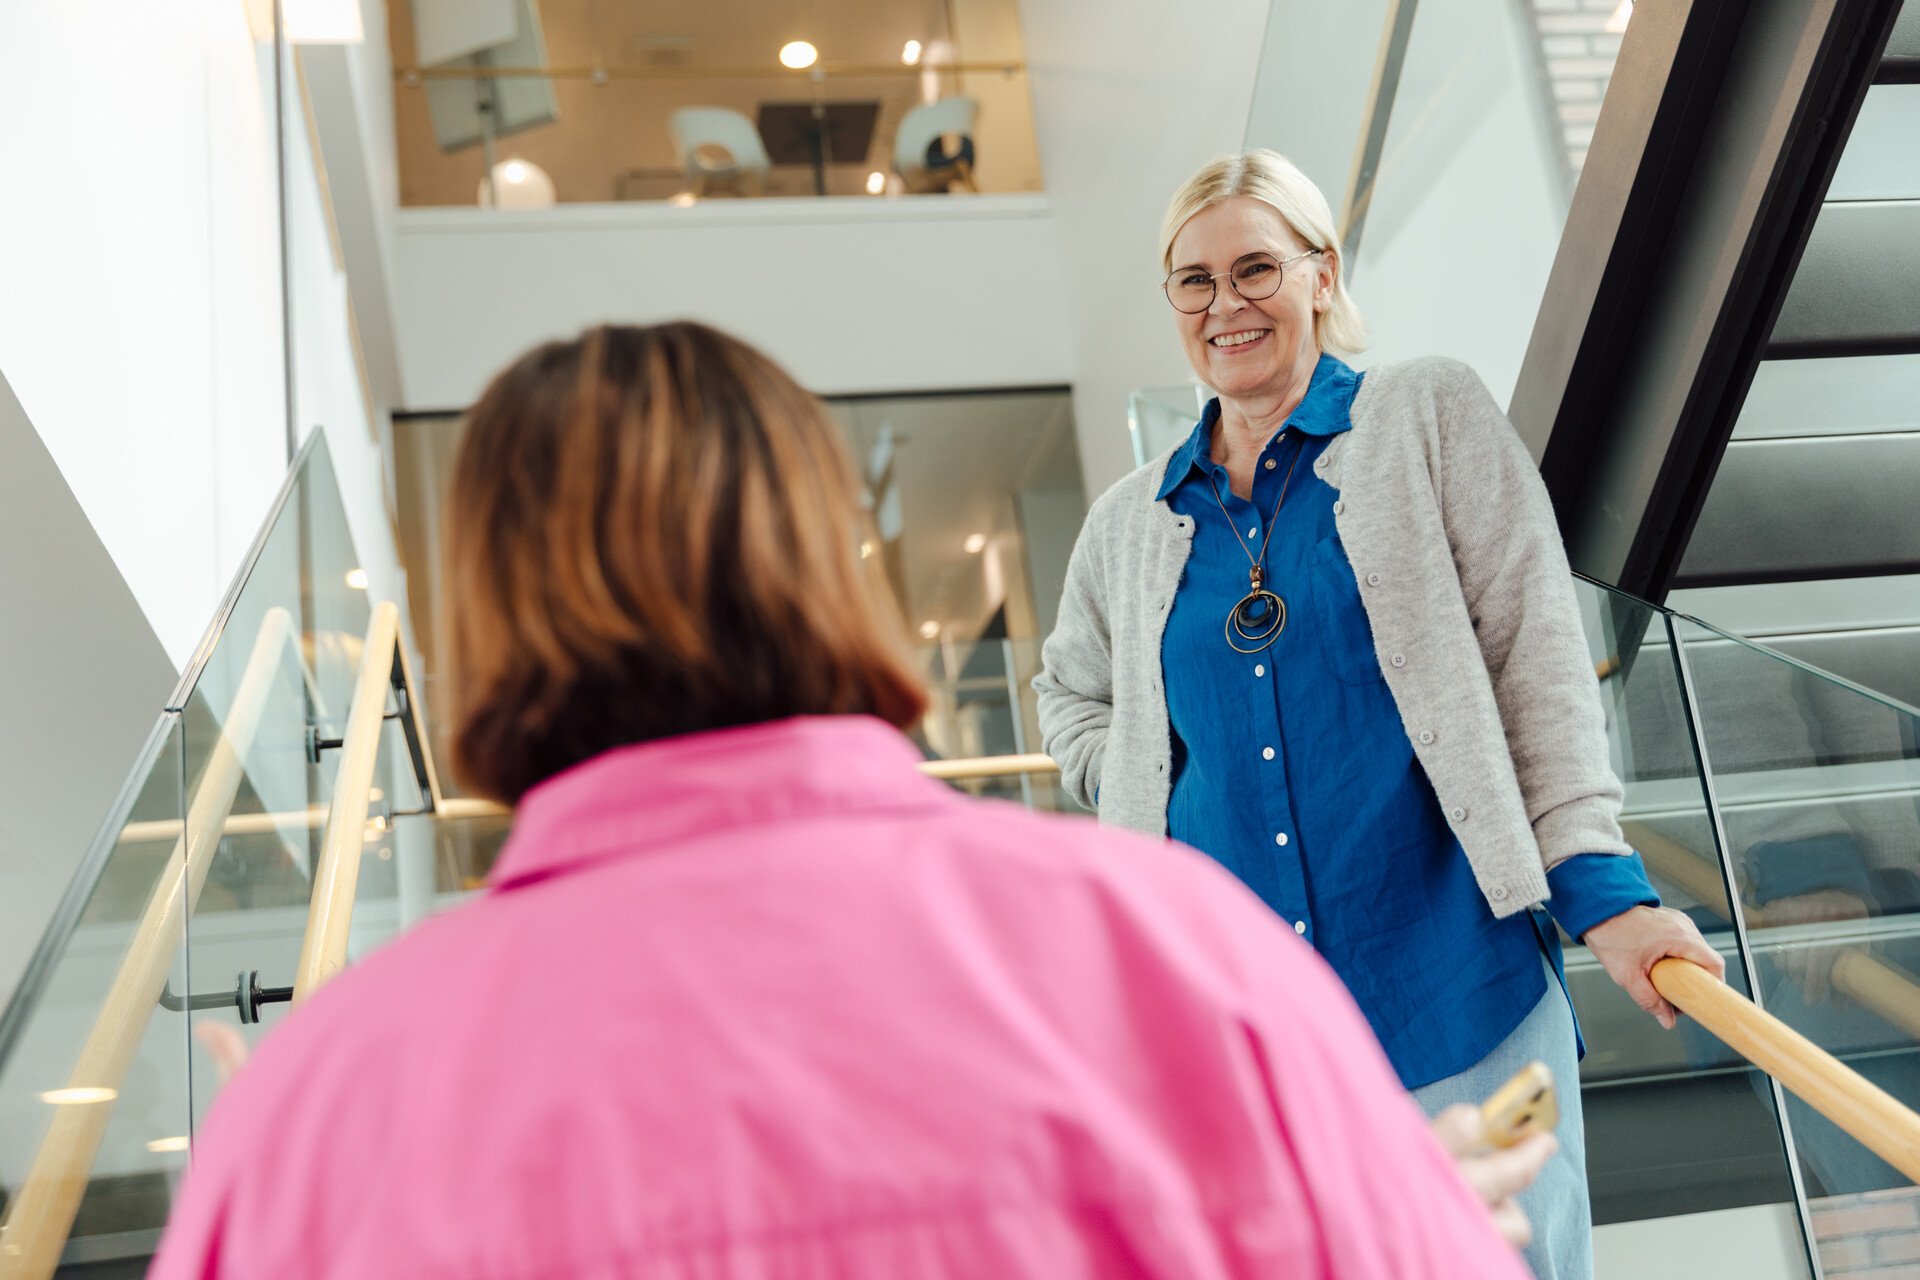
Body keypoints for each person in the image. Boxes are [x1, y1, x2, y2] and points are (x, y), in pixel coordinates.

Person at [150, 322, 1542, 1279]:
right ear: (830, 561)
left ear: (488, 616)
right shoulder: (1178, 954)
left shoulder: (317, 1113)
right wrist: (1370, 1205)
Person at [1033, 151, 1727, 1280]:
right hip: (1236, 1028)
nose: (1227, 304)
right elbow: (1070, 688)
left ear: (1321, 273)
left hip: (1454, 984)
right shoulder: (1129, 520)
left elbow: (1533, 655)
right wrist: (1131, 776)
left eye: (1257, 266)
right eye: (1194, 280)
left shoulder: (1425, 415)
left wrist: (1603, 886)